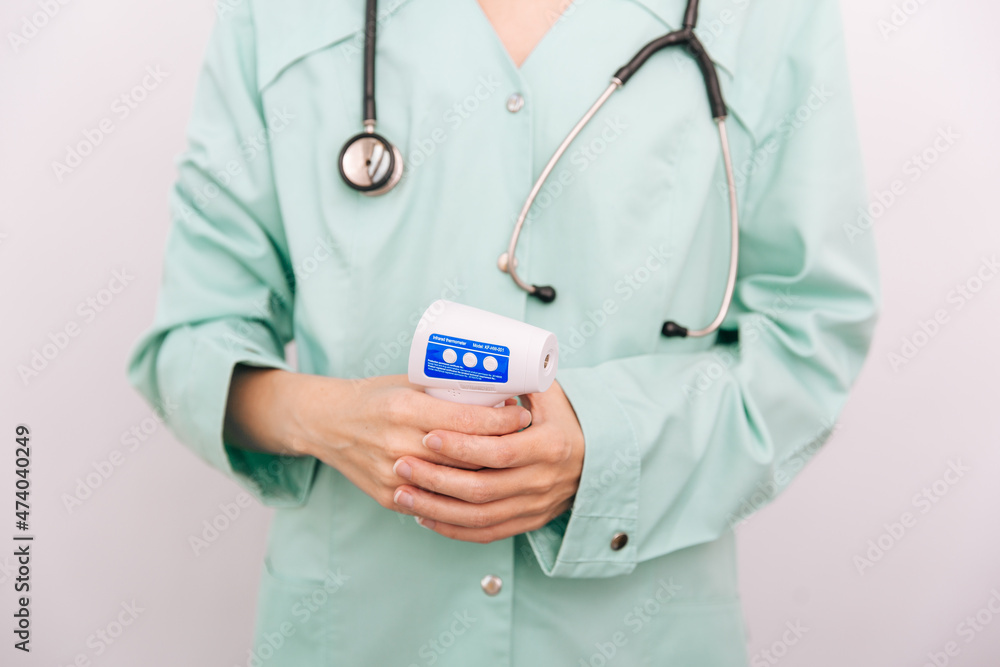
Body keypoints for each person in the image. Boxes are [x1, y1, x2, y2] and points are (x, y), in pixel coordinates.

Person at [127, 0, 879, 663]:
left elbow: (810, 332)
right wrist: (334, 420)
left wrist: (602, 445)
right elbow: (194, 339)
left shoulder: (772, 13)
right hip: (361, 632)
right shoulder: (274, 12)